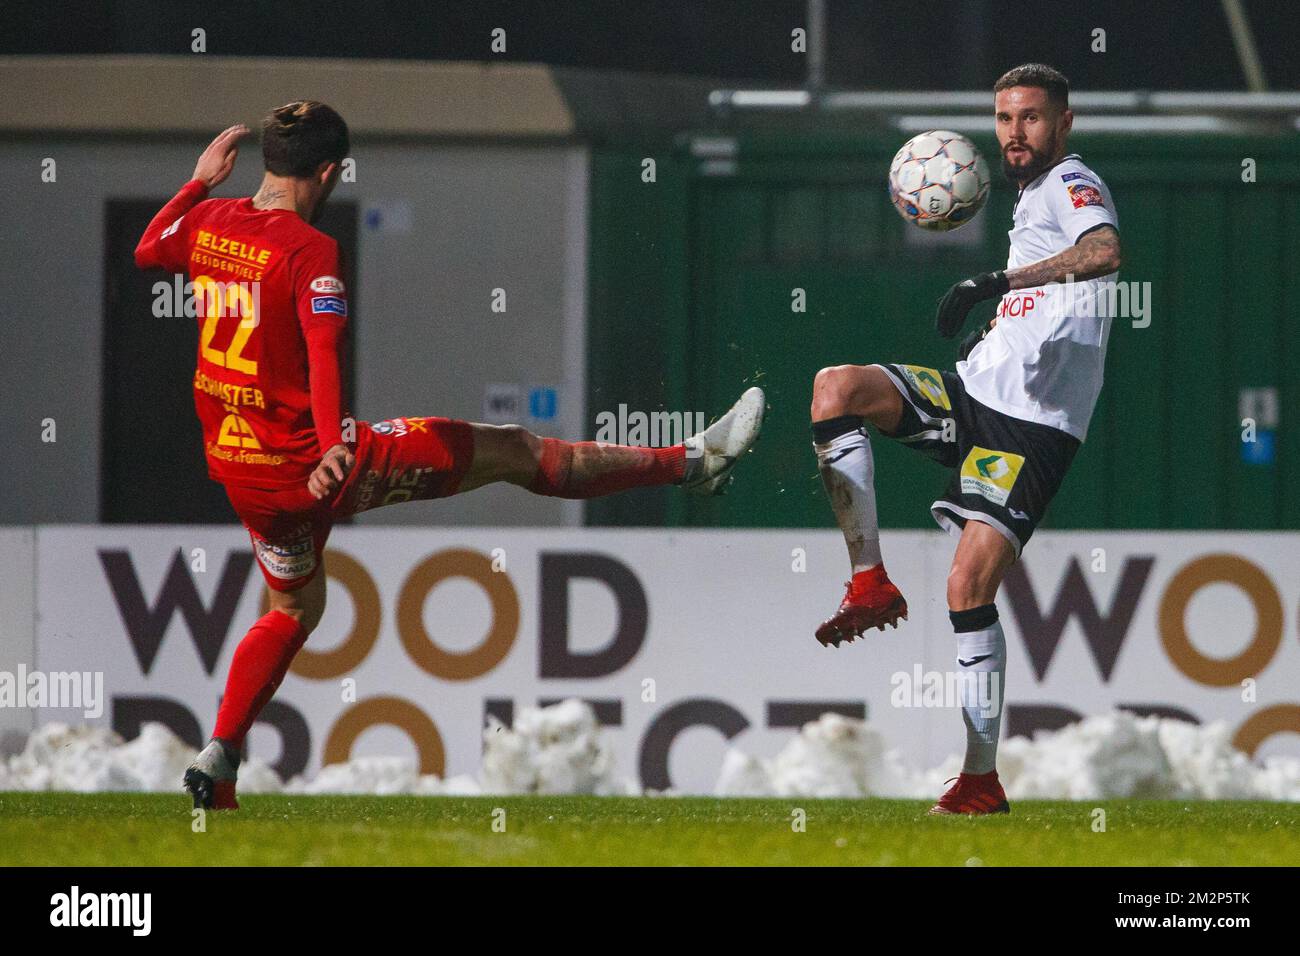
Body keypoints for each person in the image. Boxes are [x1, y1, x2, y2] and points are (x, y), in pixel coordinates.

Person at [135, 102, 765, 809]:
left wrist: (196, 183)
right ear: (330, 171)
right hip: (317, 463)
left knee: (292, 606)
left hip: (241, 472)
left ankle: (220, 758)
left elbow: (148, 248)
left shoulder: (211, 223)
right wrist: (334, 444)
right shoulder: (308, 250)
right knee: (517, 451)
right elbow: (322, 353)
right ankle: (693, 462)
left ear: (262, 164)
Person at [808, 65, 1121, 814]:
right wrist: (1005, 320)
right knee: (835, 388)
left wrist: (996, 282)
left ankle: (979, 777)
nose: (1016, 132)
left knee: (965, 586)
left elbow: (1104, 252)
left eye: (1033, 118)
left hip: (1030, 427)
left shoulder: (1074, 182)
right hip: (975, 389)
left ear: (1064, 123)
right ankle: (868, 581)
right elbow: (1050, 300)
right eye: (1006, 117)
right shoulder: (1027, 194)